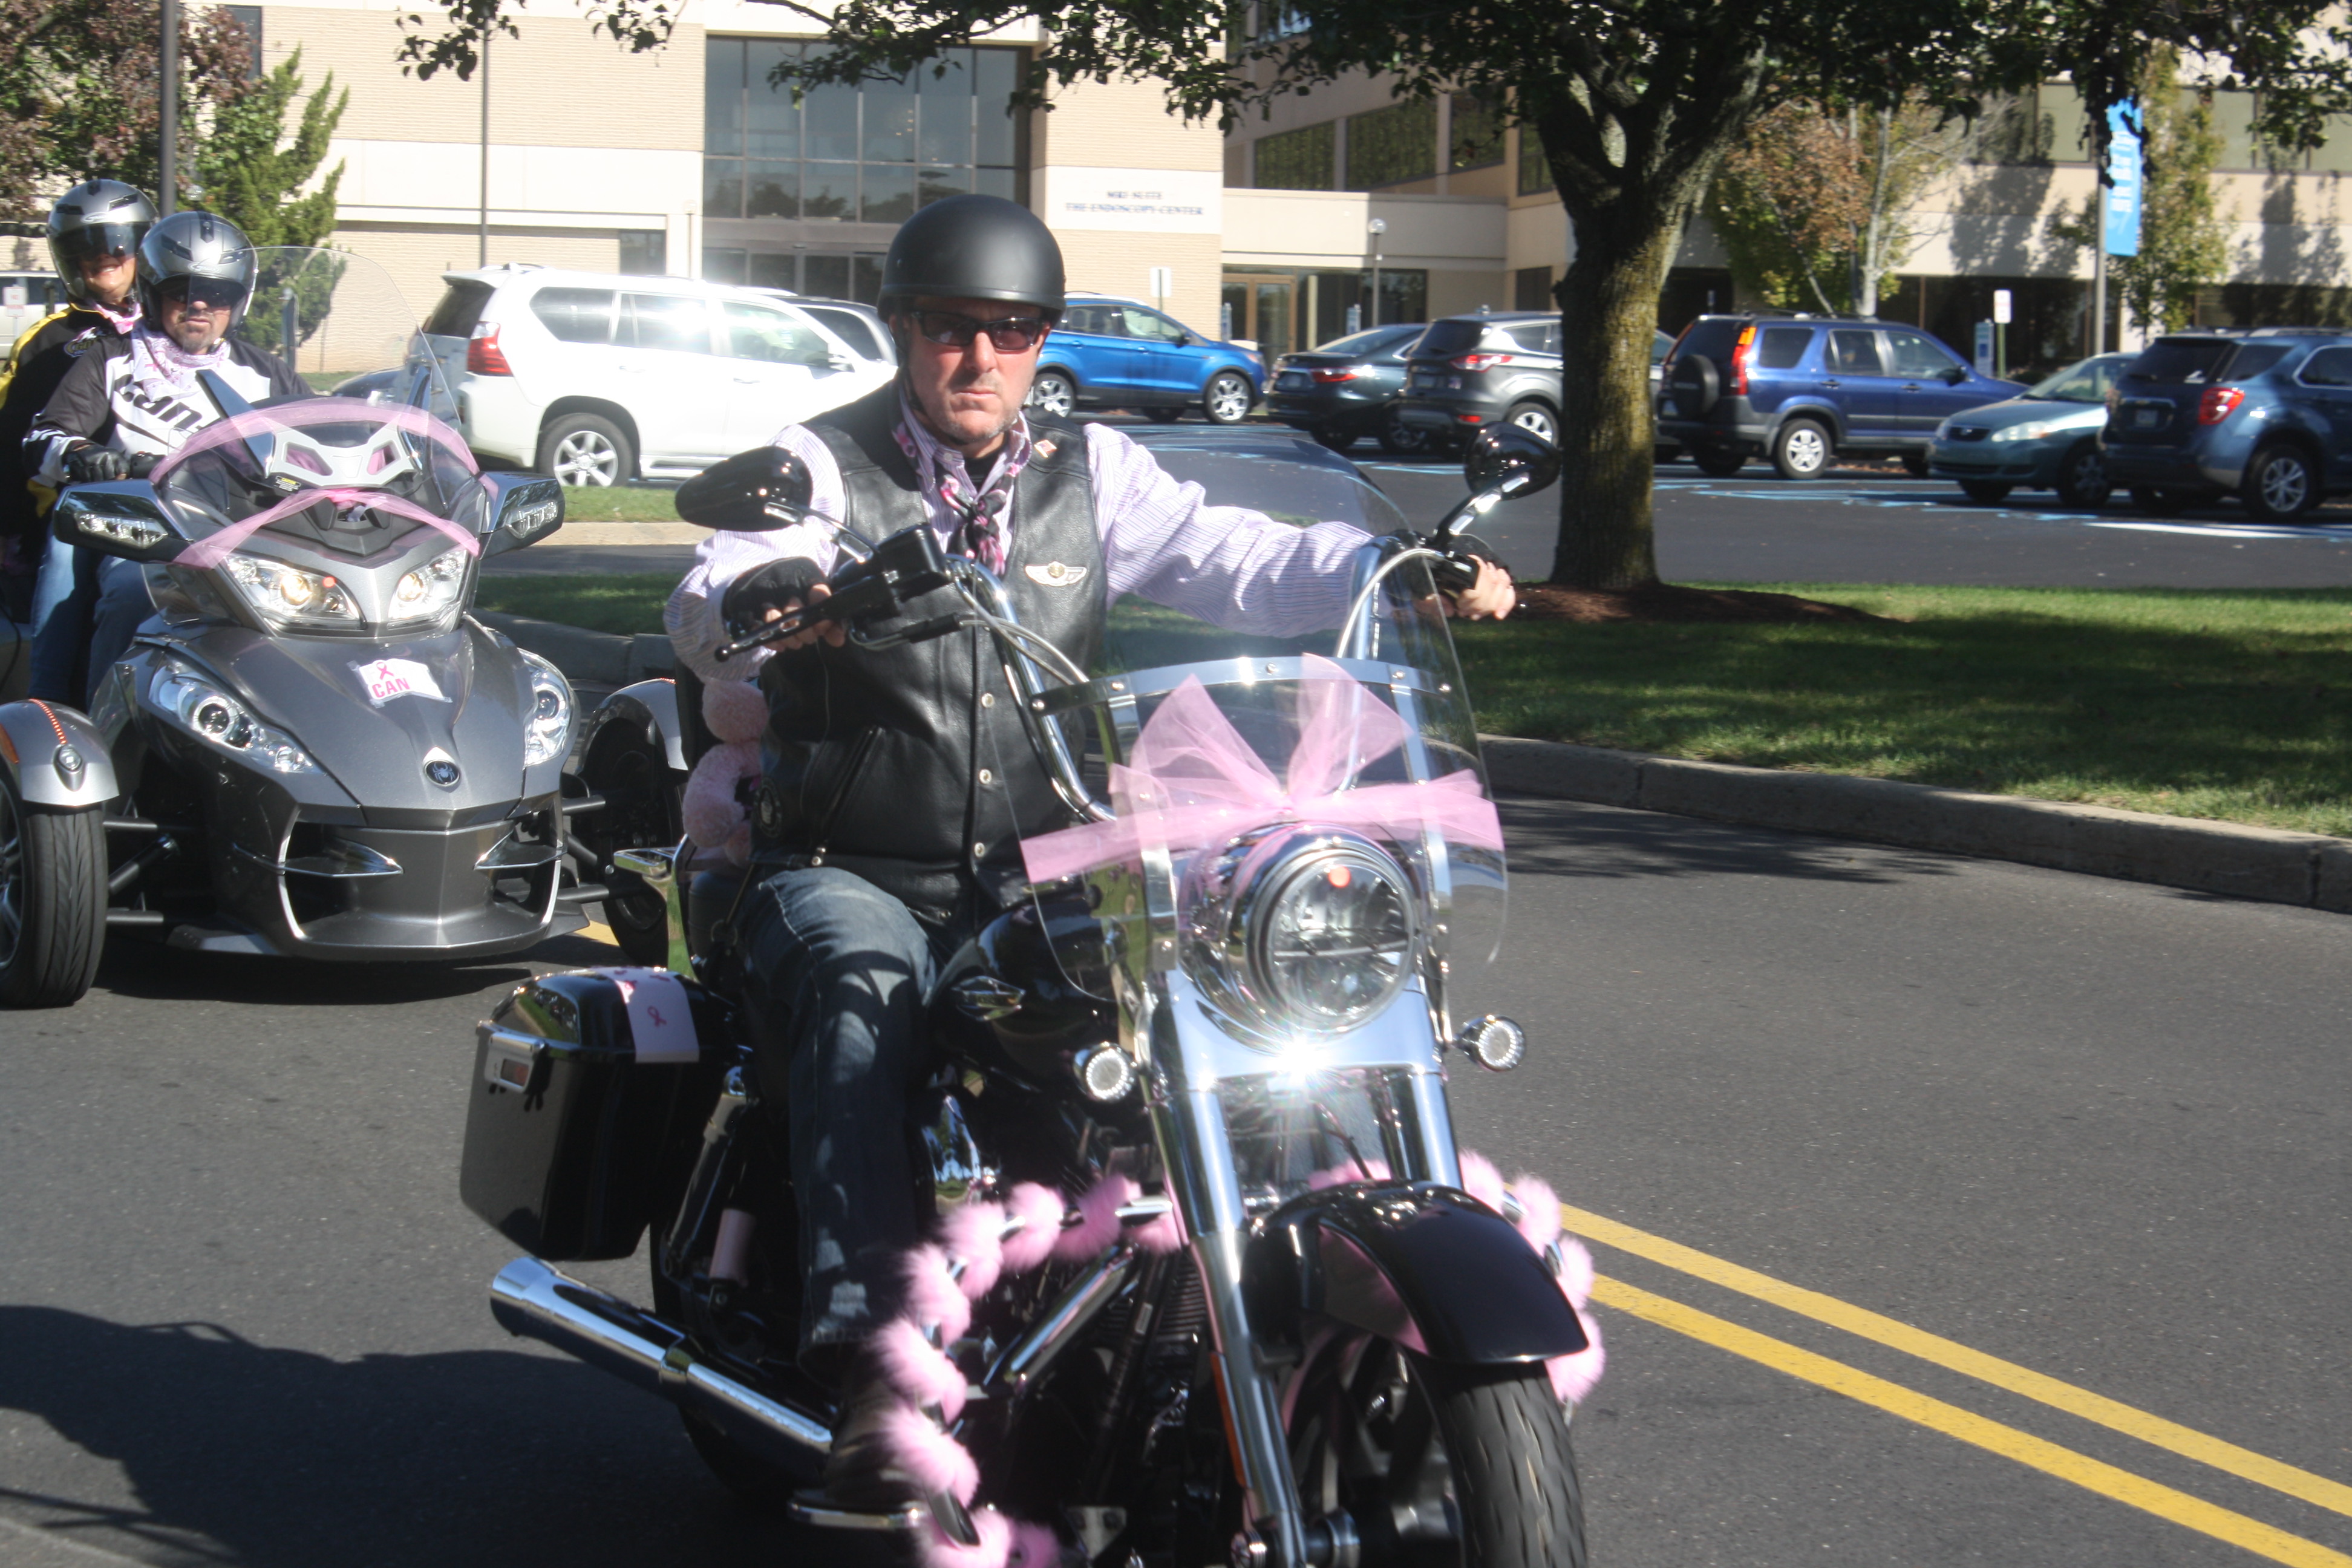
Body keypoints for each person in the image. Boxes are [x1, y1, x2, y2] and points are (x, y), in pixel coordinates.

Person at [662, 193, 1515, 1506]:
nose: (979, 356)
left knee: (1214, 993)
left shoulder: (1090, 470)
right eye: (949, 326)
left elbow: (1241, 559)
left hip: (1040, 863)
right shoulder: (823, 465)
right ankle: (879, 1366)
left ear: (1042, 340)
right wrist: (769, 592)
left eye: (1011, 330)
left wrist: (1390, 564)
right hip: (846, 863)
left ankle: (1195, 1319)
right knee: (859, 984)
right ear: (901, 328)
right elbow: (718, 582)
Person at [24, 209, 305, 703]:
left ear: (238, 301)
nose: (199, 304)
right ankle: (98, 715)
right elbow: (42, 437)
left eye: (217, 293)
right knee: (135, 595)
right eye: (180, 290)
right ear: (153, 294)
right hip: (139, 525)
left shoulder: (266, 373)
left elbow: (322, 440)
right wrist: (84, 454)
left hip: (244, 531)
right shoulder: (112, 356)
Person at [0, 180, 152, 666]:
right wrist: (12, 531)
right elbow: (11, 443)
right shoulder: (48, 342)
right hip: (77, 510)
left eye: (117, 244)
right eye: (84, 247)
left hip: (178, 500)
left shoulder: (177, 326)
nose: (103, 256)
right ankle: (51, 691)